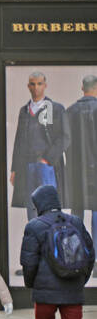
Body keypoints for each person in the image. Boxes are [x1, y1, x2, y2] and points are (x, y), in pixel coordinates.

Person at [21, 183, 96, 319]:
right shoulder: (75, 222)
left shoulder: (34, 226)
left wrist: (31, 283)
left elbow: (29, 261)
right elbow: (90, 255)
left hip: (45, 292)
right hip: (72, 287)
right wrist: (81, 280)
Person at [10, 71, 69, 216]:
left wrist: (47, 159)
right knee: (31, 208)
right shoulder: (24, 111)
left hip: (47, 166)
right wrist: (14, 169)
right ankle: (35, 237)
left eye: (39, 84)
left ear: (45, 85)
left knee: (49, 207)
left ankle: (49, 238)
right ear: (28, 86)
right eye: (33, 84)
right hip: (27, 166)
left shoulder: (55, 108)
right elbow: (18, 142)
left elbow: (65, 137)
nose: (36, 87)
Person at [69, 75, 97, 237]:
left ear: (82, 88)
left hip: (76, 171)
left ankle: (76, 253)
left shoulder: (70, 111)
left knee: (76, 211)